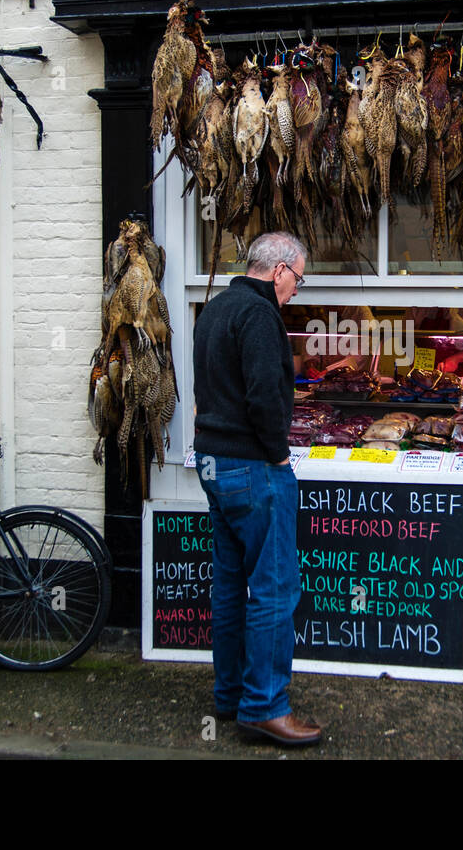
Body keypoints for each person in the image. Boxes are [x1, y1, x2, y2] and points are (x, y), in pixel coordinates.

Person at [192, 231, 321, 746]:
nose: (296, 291)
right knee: (274, 589)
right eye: (299, 280)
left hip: (213, 463)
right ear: (281, 270)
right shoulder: (261, 315)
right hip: (253, 467)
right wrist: (278, 453)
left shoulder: (215, 310)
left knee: (228, 585)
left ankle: (230, 697)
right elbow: (267, 396)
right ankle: (265, 706)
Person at [409, 305, 463, 376]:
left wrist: (457, 359)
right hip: (423, 374)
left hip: (459, 375)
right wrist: (413, 357)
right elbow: (403, 339)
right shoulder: (418, 302)